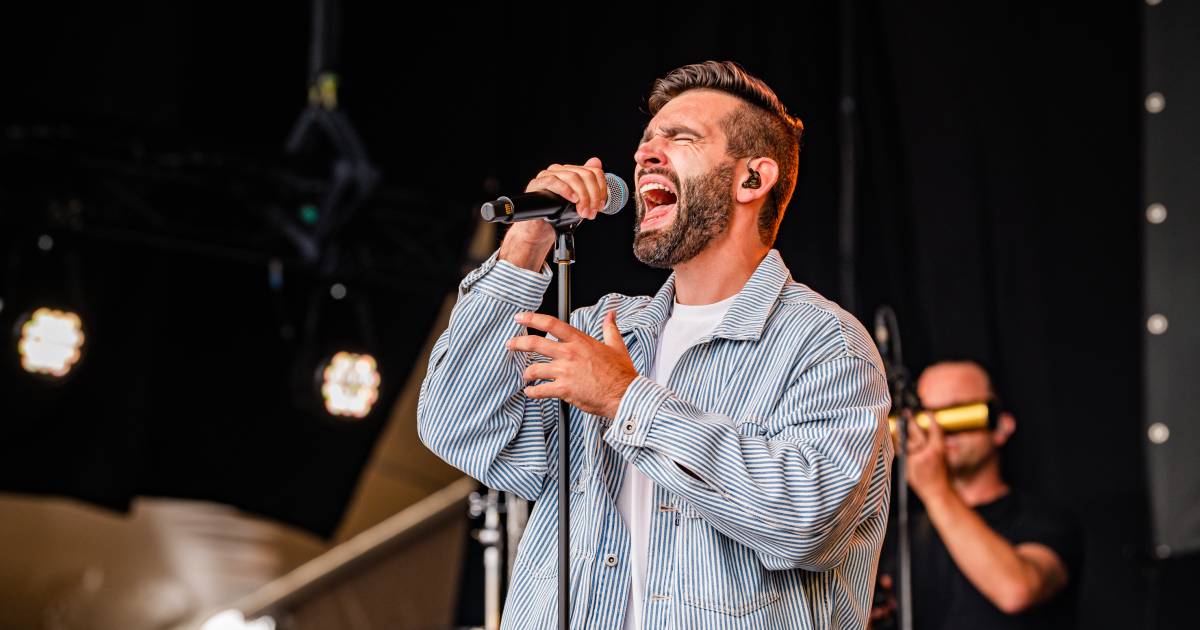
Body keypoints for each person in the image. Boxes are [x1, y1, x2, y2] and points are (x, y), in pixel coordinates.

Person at [418, 60, 893, 629]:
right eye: (646, 141)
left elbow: (806, 523)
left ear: (752, 179)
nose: (645, 154)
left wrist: (626, 399)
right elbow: (455, 425)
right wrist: (525, 245)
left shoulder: (824, 343)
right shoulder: (602, 327)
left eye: (681, 138)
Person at [871, 360, 1079, 629]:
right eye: (925, 413)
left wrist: (934, 488)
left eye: (957, 413)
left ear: (1002, 427)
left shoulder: (1045, 520)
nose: (938, 429)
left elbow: (1016, 591)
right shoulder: (898, 535)